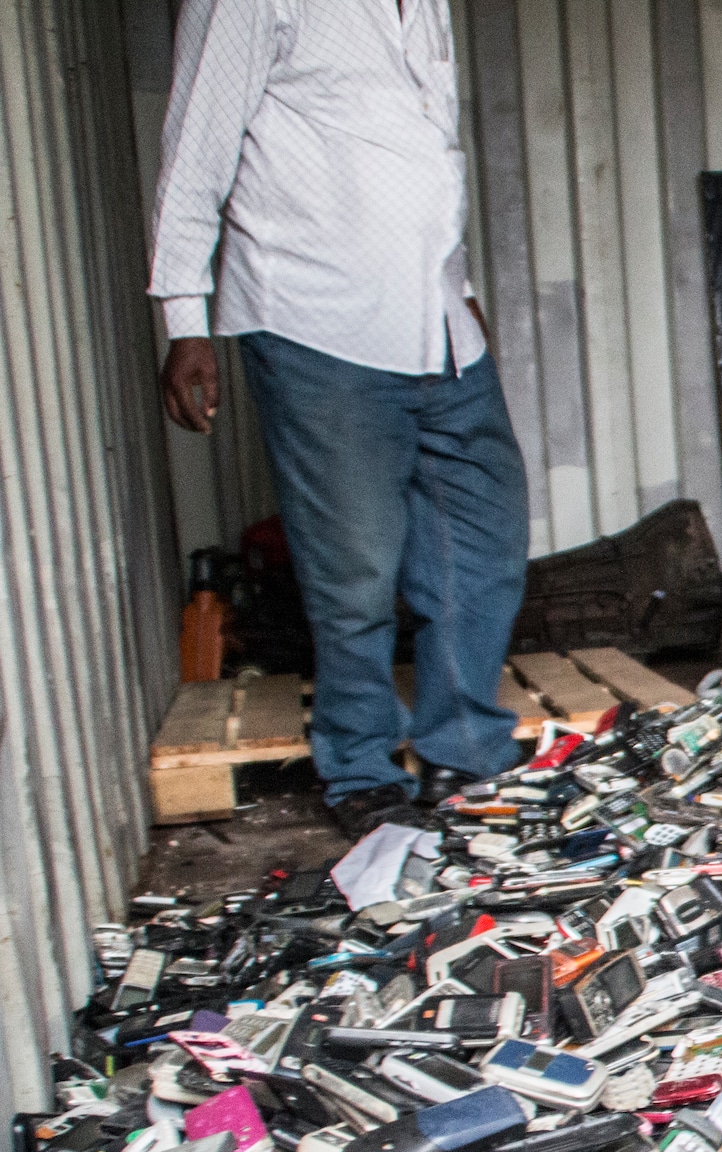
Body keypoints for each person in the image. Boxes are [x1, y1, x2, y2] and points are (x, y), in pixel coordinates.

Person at [150, 0, 529, 835]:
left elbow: (429, 146)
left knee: (483, 538)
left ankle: (465, 748)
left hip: (436, 322)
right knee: (352, 566)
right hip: (316, 316)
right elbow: (197, 143)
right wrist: (186, 318)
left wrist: (456, 287)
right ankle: (359, 764)